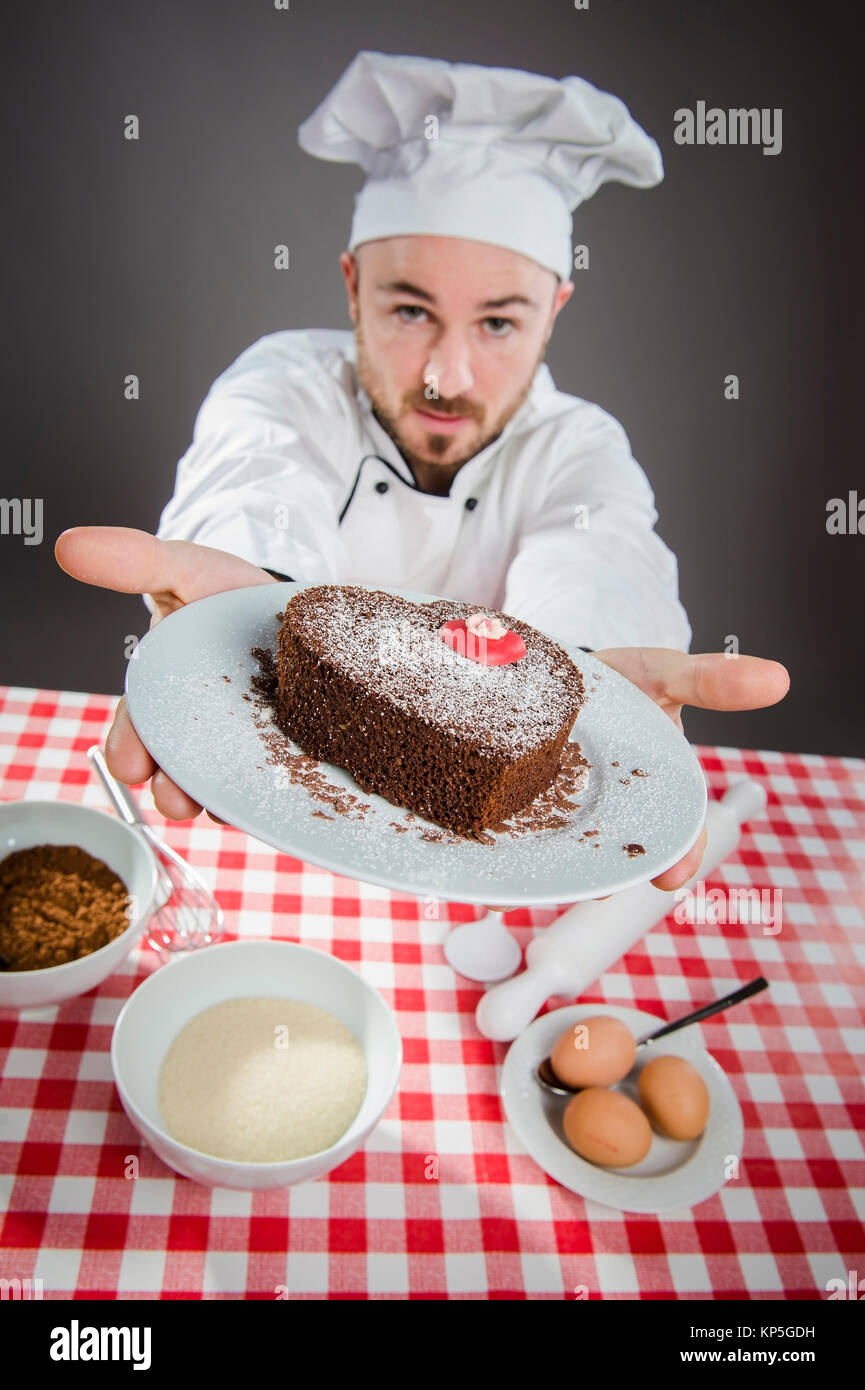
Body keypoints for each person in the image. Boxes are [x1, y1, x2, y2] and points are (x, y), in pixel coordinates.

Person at [54, 52, 790, 894]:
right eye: (410, 310)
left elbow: (602, 560)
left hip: (495, 867)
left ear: (552, 313)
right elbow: (253, 483)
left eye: (498, 323)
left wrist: (591, 685)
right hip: (261, 818)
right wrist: (249, 598)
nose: (449, 375)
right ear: (351, 284)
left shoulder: (578, 447)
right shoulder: (284, 383)